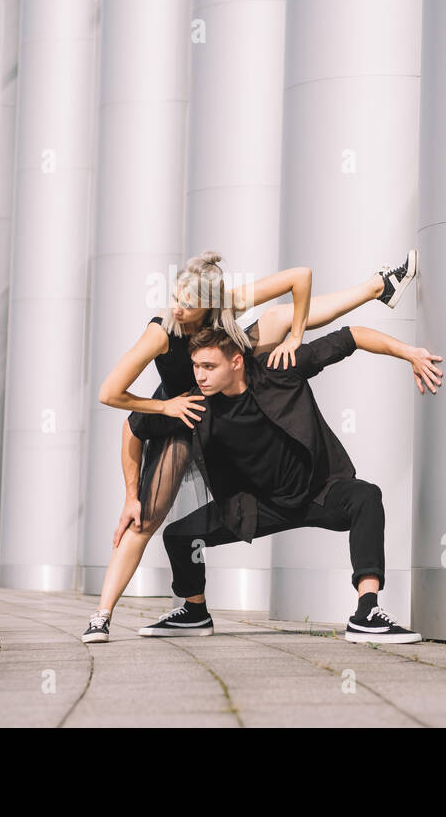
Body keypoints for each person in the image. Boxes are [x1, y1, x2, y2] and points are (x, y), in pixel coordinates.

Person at [82, 249, 419, 643]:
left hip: (224, 379)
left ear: (211, 304)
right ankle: (103, 615)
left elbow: (301, 276)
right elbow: (111, 395)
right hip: (181, 409)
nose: (175, 307)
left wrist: (295, 339)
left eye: (187, 303)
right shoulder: (162, 330)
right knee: (149, 518)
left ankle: (378, 286)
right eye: (175, 297)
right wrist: (163, 412)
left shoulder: (227, 307)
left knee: (277, 318)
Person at [130, 322, 443, 643]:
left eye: (209, 366)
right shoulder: (194, 404)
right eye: (196, 366)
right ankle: (195, 611)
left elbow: (352, 337)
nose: (200, 375)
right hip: (255, 506)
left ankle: (367, 611)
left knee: (366, 497)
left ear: (236, 361)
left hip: (316, 492)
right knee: (180, 536)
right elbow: (133, 427)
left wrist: (410, 354)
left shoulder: (280, 370)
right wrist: (132, 496)